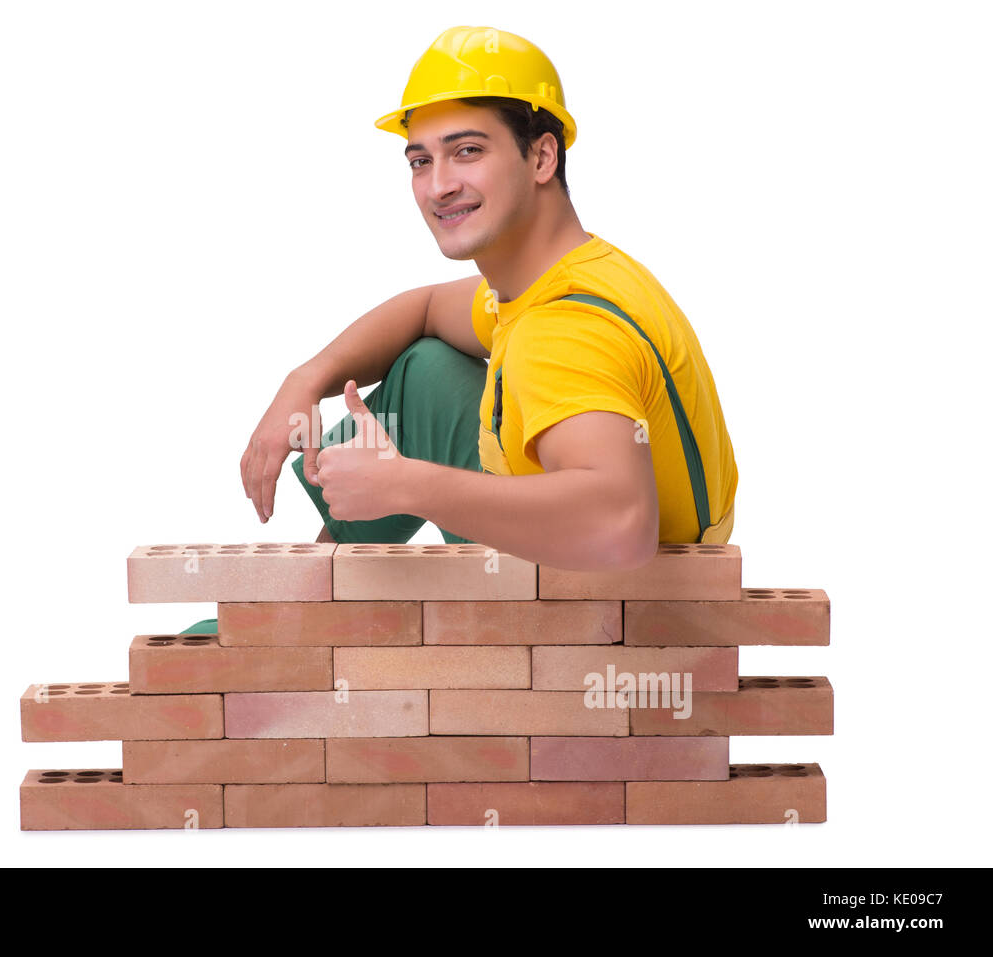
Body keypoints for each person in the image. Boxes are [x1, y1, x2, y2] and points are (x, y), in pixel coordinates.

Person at [185, 25, 739, 635]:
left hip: (612, 614)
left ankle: (282, 638)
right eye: (421, 160)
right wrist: (305, 380)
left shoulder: (562, 328)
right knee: (426, 372)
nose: (438, 184)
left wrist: (406, 485)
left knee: (410, 425)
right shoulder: (559, 274)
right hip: (599, 562)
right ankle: (307, 608)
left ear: (542, 156)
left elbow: (620, 526)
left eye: (467, 151)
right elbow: (423, 308)